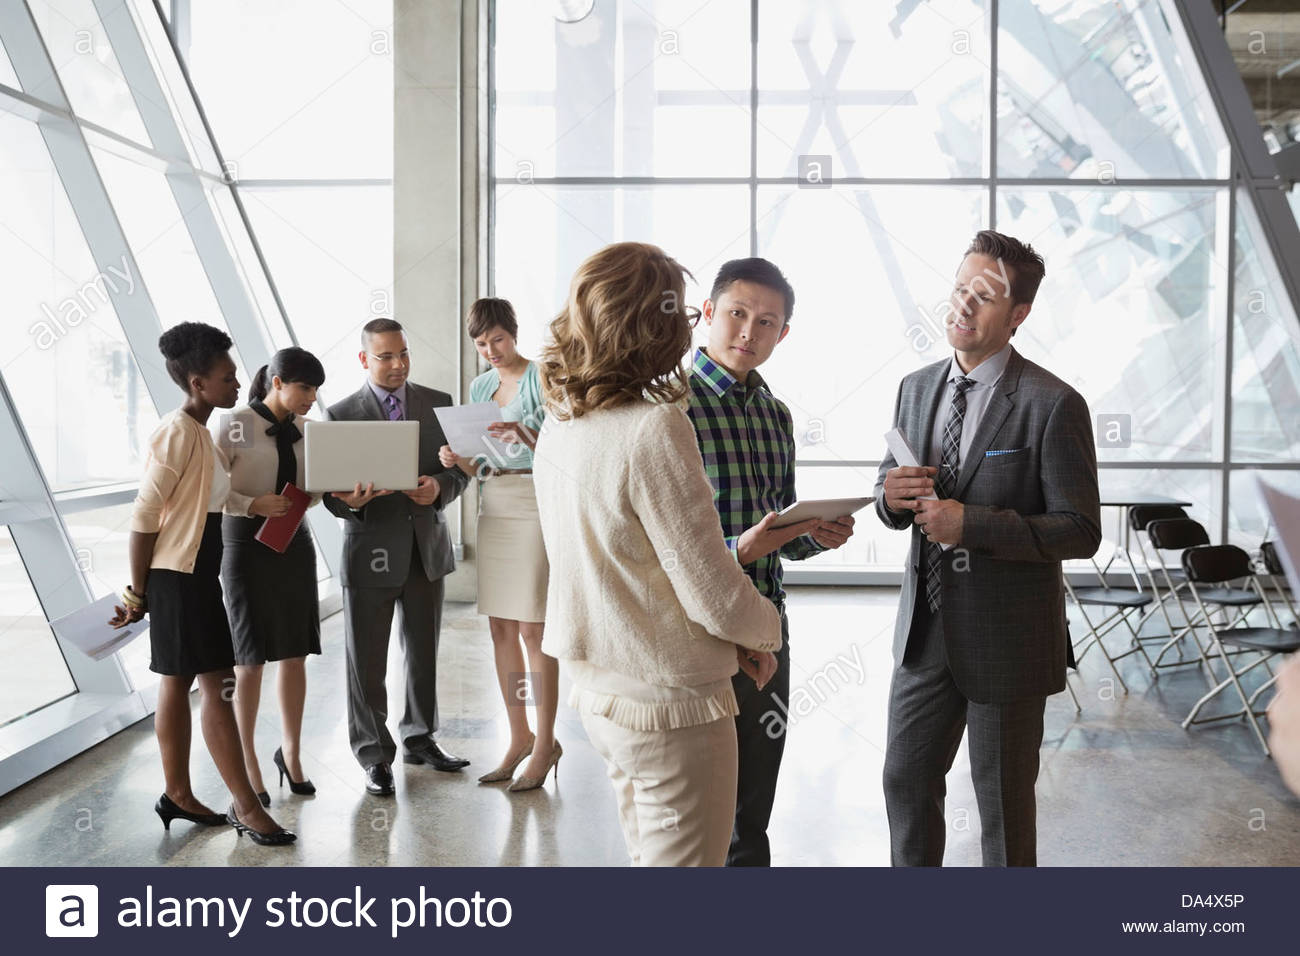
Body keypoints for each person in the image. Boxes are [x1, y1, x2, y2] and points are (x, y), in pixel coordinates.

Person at [533, 241, 782, 867]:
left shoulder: (564, 420)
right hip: (671, 703)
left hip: (600, 689)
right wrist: (764, 631)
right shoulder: (656, 425)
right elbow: (710, 587)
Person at [874, 230, 1101, 867]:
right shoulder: (915, 388)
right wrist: (889, 498)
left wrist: (973, 525)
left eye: (985, 296)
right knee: (905, 780)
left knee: (1000, 803)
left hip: (1007, 641)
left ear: (1019, 315)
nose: (963, 307)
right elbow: (887, 488)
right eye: (959, 289)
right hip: (924, 633)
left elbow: (1081, 529)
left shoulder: (1053, 405)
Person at [686, 257, 856, 866]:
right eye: (736, 314)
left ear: (782, 334)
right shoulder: (668, 410)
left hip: (765, 618)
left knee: (753, 802)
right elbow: (660, 550)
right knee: (693, 807)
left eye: (766, 323)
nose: (748, 333)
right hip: (694, 627)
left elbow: (775, 524)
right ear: (707, 314)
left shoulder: (775, 414)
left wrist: (817, 535)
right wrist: (745, 548)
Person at [108, 322, 295, 846]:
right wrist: (137, 592)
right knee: (216, 686)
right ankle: (247, 806)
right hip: (179, 579)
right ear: (197, 381)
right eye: (227, 377)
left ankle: (178, 793)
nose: (238, 384)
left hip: (193, 576)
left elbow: (204, 501)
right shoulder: (178, 431)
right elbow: (145, 513)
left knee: (177, 679)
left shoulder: (200, 430)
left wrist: (251, 504)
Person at [322, 317, 471, 796]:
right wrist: (352, 501)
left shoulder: (439, 405)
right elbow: (330, 494)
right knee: (366, 660)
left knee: (423, 652)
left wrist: (440, 489)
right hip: (369, 551)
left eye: (402, 353)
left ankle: (419, 737)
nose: (397, 364)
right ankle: (373, 754)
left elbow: (461, 473)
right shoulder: (341, 415)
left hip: (425, 548)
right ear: (364, 359)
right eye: (385, 356)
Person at [438, 298, 557, 791]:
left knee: (533, 630)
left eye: (498, 340)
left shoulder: (544, 376)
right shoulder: (481, 386)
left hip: (534, 502)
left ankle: (547, 742)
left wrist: (525, 434)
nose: (491, 350)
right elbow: (482, 466)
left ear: (514, 332)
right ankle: (520, 736)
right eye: (482, 344)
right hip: (495, 501)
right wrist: (456, 460)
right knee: (501, 630)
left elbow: (567, 451)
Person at [216, 347, 327, 804]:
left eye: (316, 390)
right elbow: (211, 490)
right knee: (250, 659)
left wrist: (322, 495)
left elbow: (316, 491)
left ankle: (292, 753)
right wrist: (253, 504)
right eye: (304, 387)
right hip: (243, 544)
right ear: (278, 382)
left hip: (292, 543)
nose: (311, 398)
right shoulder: (234, 424)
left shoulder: (310, 431)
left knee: (295, 653)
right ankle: (248, 763)